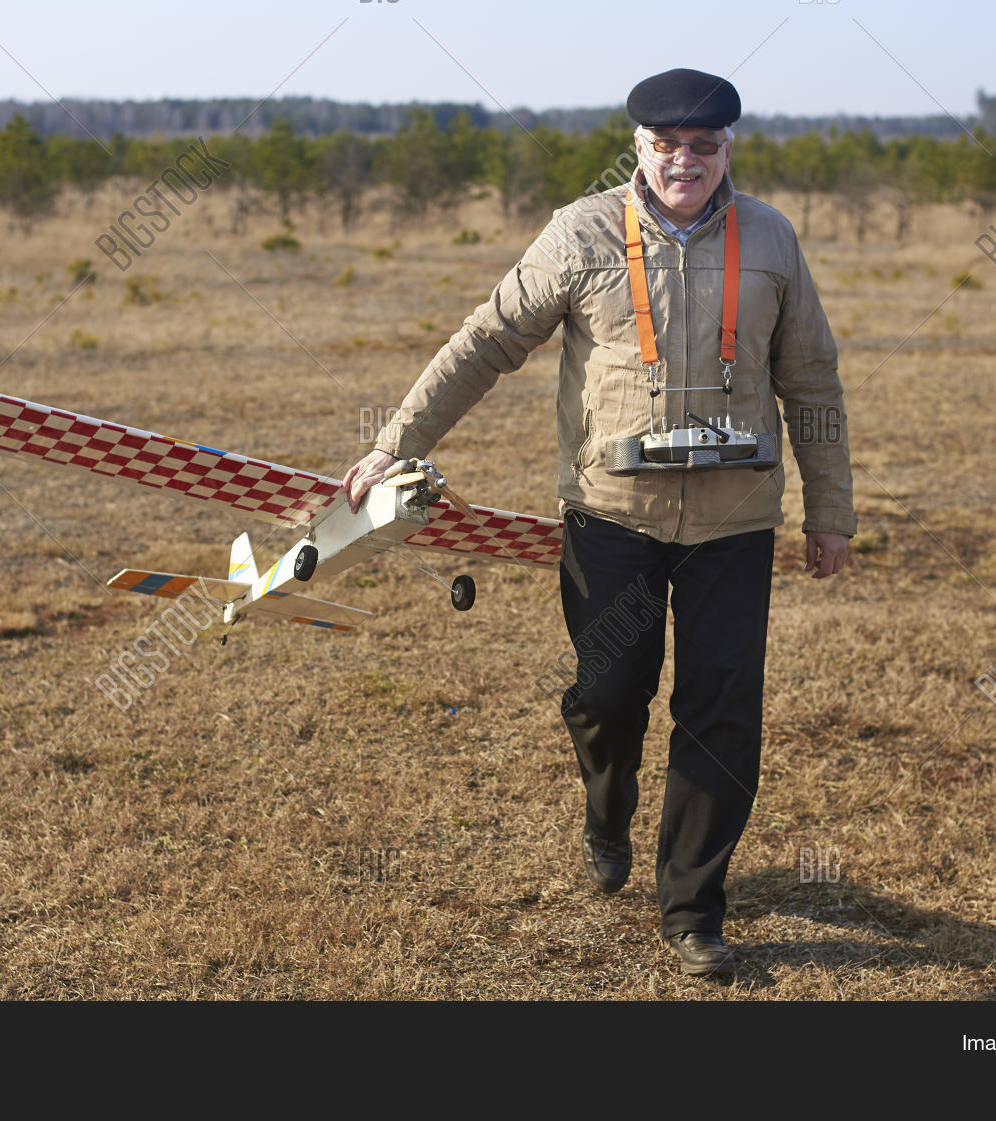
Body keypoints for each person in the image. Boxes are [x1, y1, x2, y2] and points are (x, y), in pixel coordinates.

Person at [341, 68, 855, 978]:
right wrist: (395, 443)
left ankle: (693, 908)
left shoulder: (769, 238)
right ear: (640, 148)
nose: (685, 162)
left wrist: (831, 509)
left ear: (728, 148)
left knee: (722, 709)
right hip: (612, 514)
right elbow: (488, 341)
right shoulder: (579, 234)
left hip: (736, 522)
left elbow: (810, 379)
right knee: (611, 691)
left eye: (704, 146)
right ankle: (605, 808)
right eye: (667, 146)